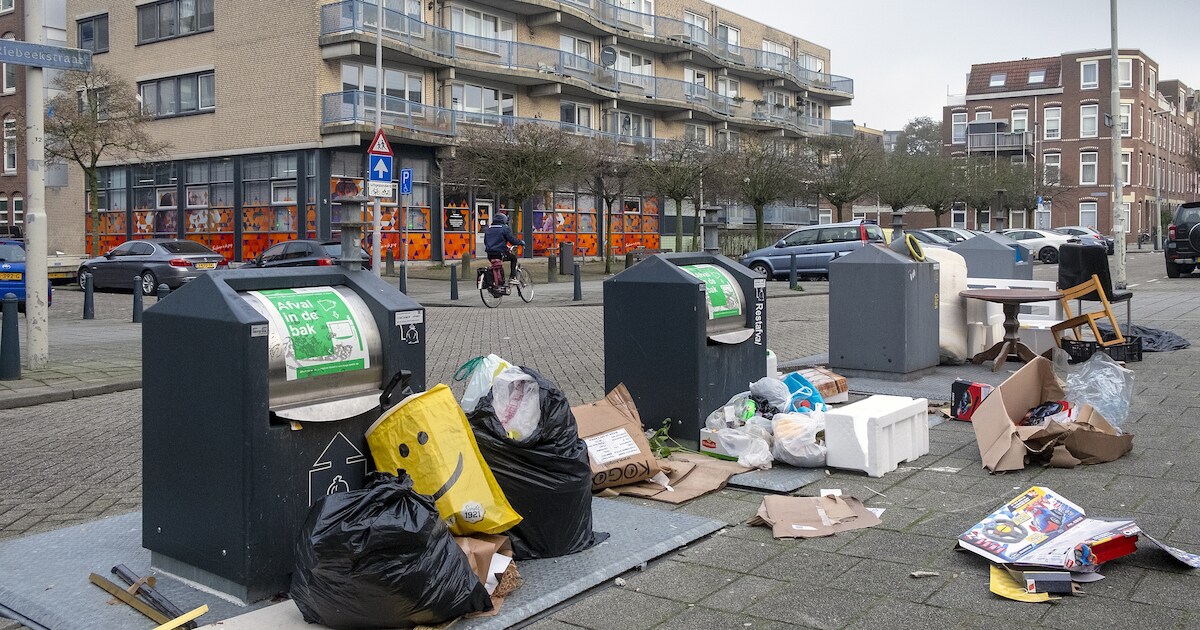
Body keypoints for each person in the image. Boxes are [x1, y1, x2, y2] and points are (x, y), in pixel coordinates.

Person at [484, 212, 524, 285]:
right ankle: (513, 277)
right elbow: (512, 240)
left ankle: (497, 283)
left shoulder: (488, 228)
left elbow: (486, 241)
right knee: (513, 258)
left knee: (496, 266)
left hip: (490, 254)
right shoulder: (504, 228)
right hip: (500, 253)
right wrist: (520, 242)